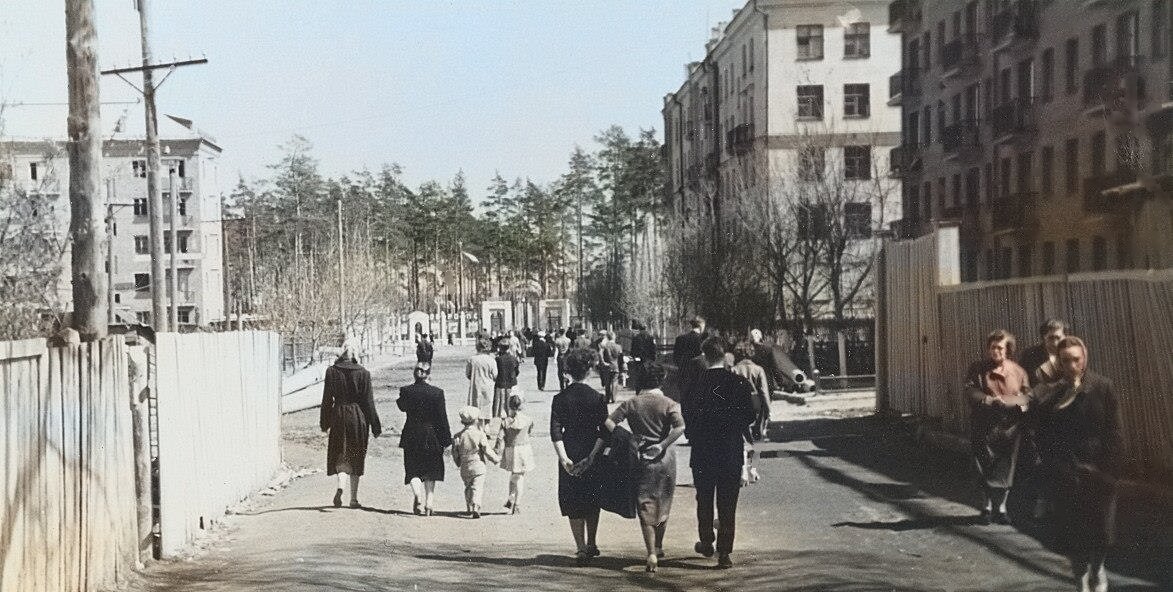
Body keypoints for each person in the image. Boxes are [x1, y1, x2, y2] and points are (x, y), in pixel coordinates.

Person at [1030, 336, 1122, 592]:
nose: (1071, 365)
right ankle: (1081, 579)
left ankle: (1098, 569)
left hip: (1099, 472)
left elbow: (1114, 433)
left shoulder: (1102, 387)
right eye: (1065, 360)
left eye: (1076, 360)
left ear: (1085, 359)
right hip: (1066, 474)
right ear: (1058, 363)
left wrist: (1109, 471)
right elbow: (1042, 434)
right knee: (1073, 534)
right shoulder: (1053, 394)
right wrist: (1053, 466)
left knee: (1102, 531)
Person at [603, 364, 685, 573]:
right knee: (663, 503)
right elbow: (680, 427)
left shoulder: (632, 403)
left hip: (640, 458)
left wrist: (629, 437)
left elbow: (609, 422)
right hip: (665, 459)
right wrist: (662, 444)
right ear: (661, 380)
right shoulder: (669, 403)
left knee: (645, 504)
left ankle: (650, 553)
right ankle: (659, 545)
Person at [683, 337, 756, 568]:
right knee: (728, 502)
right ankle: (724, 553)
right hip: (730, 451)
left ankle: (706, 541)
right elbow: (750, 416)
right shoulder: (739, 383)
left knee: (704, 498)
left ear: (704, 357)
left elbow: (687, 415)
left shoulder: (694, 384)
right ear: (725, 355)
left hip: (703, 451)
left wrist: (693, 436)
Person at [964, 329, 1031, 525]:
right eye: (992, 347)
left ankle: (1001, 509)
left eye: (1000, 348)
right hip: (984, 426)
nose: (996, 352)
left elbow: (1027, 396)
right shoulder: (977, 369)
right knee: (983, 467)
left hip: (1008, 428)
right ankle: (985, 508)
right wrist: (987, 400)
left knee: (1005, 468)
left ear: (1008, 350)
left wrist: (1014, 402)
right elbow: (970, 390)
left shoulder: (1018, 372)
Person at [550, 347, 609, 566]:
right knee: (592, 499)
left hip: (570, 449)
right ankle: (592, 542)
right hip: (591, 450)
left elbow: (555, 430)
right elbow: (605, 431)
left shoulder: (560, 398)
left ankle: (581, 547)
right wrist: (593, 456)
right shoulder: (598, 398)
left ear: (568, 371)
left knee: (573, 500)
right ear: (590, 370)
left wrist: (564, 458)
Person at [319, 347, 381, 508]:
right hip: (357, 416)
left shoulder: (331, 371)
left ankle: (341, 486)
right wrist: (375, 425)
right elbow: (368, 402)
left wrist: (324, 422)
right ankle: (353, 499)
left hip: (338, 415)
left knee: (341, 453)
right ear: (356, 355)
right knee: (356, 455)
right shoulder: (364, 373)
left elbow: (326, 399)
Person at [398, 362, 452, 516]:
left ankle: (417, 495)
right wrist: (446, 440)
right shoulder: (437, 393)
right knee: (431, 471)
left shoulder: (406, 391)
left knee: (412, 470)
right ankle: (429, 503)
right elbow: (442, 418)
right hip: (432, 435)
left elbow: (401, 406)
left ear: (414, 374)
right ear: (429, 374)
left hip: (411, 434)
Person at [451, 406, 499, 519]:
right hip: (478, 464)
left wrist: (458, 462)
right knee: (477, 486)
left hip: (465, 464)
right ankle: (476, 505)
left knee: (468, 486)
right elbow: (486, 449)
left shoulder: (458, 436)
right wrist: (495, 459)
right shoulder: (480, 434)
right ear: (476, 420)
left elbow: (455, 453)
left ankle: (469, 506)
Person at [498, 393, 536, 514]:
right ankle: (517, 503)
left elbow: (500, 438)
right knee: (520, 477)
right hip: (524, 449)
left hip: (511, 449)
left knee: (514, 475)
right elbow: (529, 433)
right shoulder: (528, 420)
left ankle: (510, 498)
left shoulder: (505, 422)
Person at [730, 340, 771, 442]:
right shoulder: (758, 369)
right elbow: (764, 392)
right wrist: (768, 410)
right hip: (756, 403)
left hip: (739, 403)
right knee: (757, 433)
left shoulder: (733, 370)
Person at [1018, 319, 1068, 388]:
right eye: (1051, 338)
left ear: (1065, 337)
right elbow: (1020, 383)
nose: (1055, 343)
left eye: (1058, 338)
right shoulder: (1029, 356)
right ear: (1043, 338)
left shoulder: (1073, 354)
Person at [466, 338, 498, 425]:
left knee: (476, 406)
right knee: (487, 407)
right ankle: (487, 427)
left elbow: (468, 374)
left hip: (475, 386)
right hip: (488, 386)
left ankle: (478, 426)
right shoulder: (491, 360)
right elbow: (495, 375)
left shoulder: (472, 359)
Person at [494, 337, 520, 419]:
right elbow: (517, 372)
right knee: (511, 404)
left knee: (499, 405)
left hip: (500, 384)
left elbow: (495, 372)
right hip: (512, 383)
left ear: (500, 348)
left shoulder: (498, 359)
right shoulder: (514, 359)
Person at [629, 322, 658, 394]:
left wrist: (634, 357)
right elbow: (653, 348)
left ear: (639, 328)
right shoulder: (650, 337)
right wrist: (653, 358)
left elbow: (633, 349)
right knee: (648, 374)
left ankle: (638, 391)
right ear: (646, 328)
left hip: (639, 359)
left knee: (638, 375)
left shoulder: (636, 337)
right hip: (648, 359)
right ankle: (648, 390)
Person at [599, 330, 624, 404]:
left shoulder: (604, 345)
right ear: (614, 337)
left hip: (607, 366)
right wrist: (621, 367)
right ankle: (613, 398)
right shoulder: (618, 346)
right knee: (614, 381)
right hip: (615, 366)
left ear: (607, 337)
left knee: (607, 383)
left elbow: (600, 354)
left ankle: (607, 398)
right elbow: (621, 358)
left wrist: (603, 362)